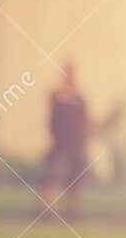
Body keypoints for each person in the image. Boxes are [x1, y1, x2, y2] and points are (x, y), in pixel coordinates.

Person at [38, 60, 90, 220]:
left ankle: (71, 213)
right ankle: (46, 212)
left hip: (76, 145)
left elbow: (85, 120)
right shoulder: (56, 95)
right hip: (59, 144)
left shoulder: (80, 96)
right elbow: (51, 117)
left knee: (74, 181)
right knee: (51, 178)